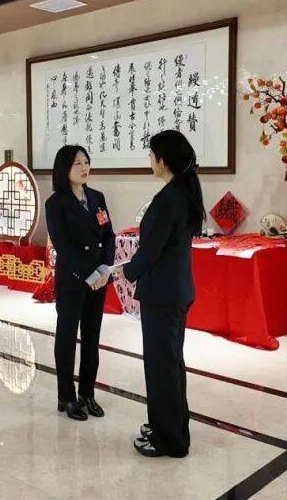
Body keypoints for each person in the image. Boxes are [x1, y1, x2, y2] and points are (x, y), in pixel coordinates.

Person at [115, 130, 204, 457]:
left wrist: (126, 271)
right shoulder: (183, 192)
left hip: (163, 294)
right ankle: (170, 426)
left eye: (152, 155)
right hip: (175, 290)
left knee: (162, 366)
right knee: (170, 363)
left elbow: (151, 250)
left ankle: (171, 440)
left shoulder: (169, 198)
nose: (150, 161)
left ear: (162, 160)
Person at [45, 145, 116, 421]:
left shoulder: (97, 197)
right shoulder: (56, 203)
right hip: (73, 280)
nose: (84, 168)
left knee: (91, 338)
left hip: (99, 280)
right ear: (64, 168)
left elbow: (109, 236)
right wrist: (89, 274)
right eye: (78, 163)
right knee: (66, 338)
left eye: (86, 162)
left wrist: (105, 267)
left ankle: (87, 393)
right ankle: (66, 396)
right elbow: (63, 245)